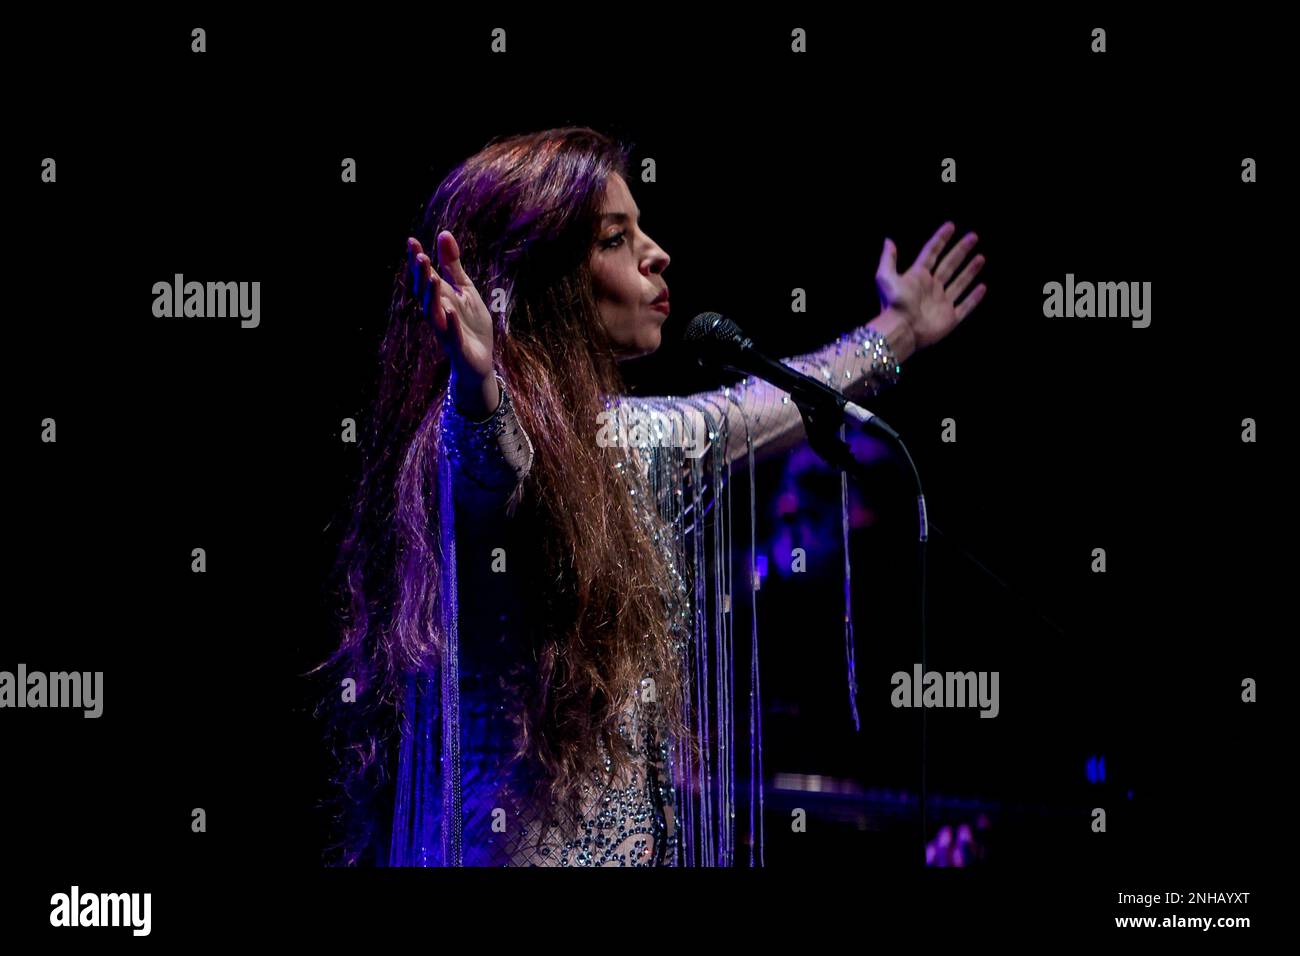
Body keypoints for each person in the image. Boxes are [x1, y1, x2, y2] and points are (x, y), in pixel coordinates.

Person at [311, 126, 987, 867]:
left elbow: (773, 402)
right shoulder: (473, 443)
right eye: (614, 238)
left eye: (641, 229)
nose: (656, 252)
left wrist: (901, 329)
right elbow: (488, 481)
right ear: (545, 277)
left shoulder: (633, 438)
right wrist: (478, 390)